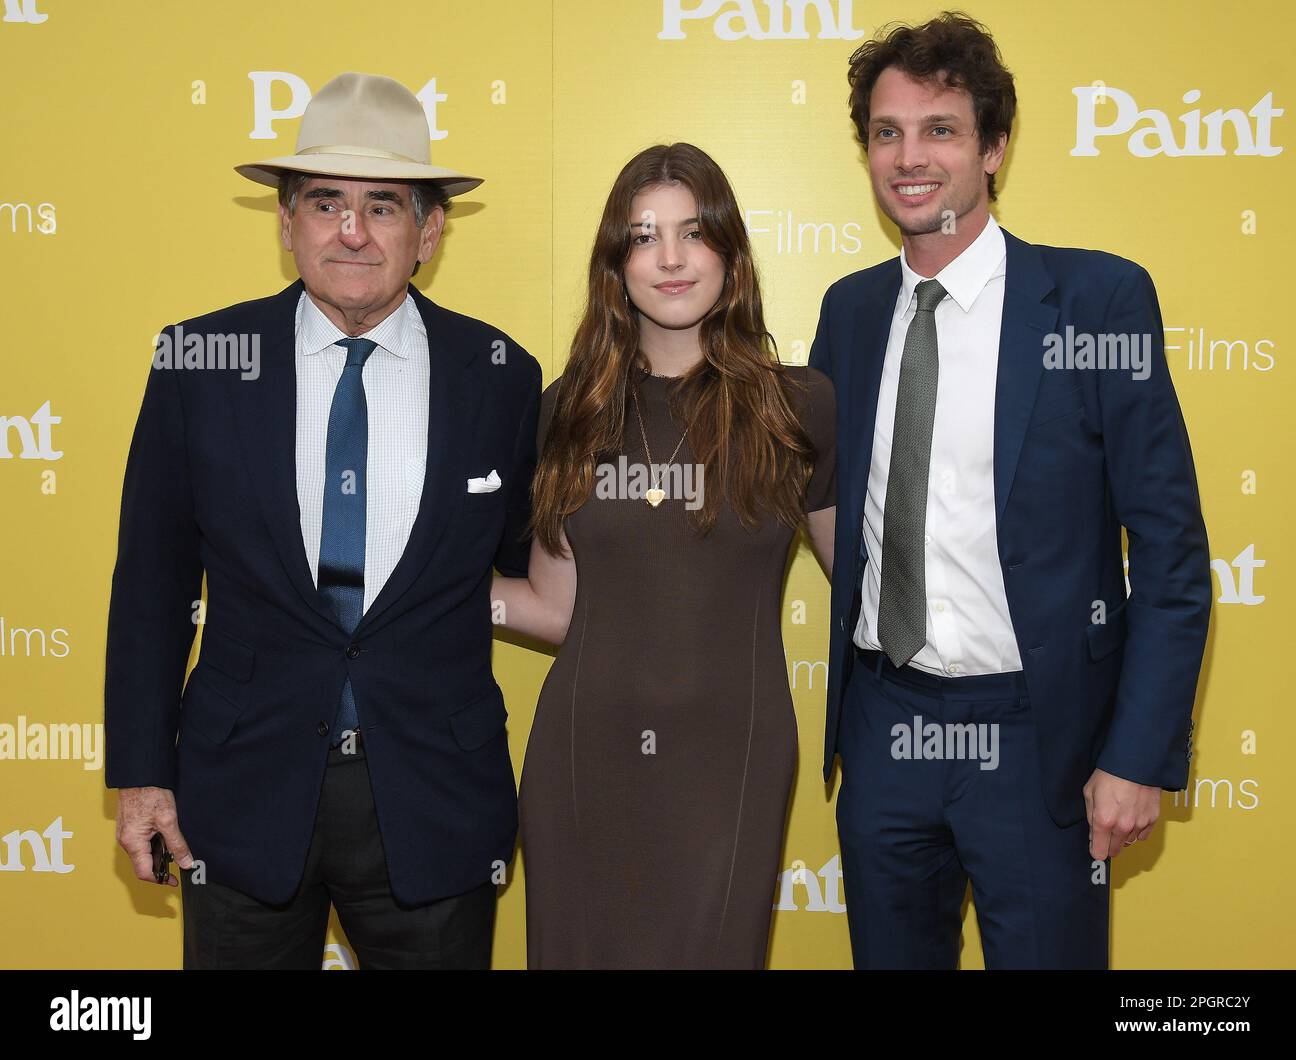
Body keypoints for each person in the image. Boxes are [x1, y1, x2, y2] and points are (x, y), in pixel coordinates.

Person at [103, 72, 541, 969]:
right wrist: (143, 774)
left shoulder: (500, 374)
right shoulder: (199, 360)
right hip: (238, 796)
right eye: (326, 202)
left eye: (384, 206)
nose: (352, 230)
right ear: (286, 221)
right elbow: (151, 583)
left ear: (430, 231)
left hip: (436, 799)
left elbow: (526, 561)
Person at [810, 13, 1211, 969]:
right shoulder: (850, 312)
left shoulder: (1097, 303)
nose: (910, 156)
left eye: (940, 129)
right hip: (885, 727)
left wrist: (1135, 755)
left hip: (1041, 747)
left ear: (993, 149)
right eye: (887, 131)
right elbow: (827, 496)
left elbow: (1169, 547)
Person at [490, 143, 836, 968]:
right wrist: (413, 584)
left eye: (693, 233)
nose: (672, 259)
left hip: (732, 756)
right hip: (584, 753)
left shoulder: (800, 408)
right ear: (617, 262)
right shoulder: (566, 410)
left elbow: (862, 581)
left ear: (730, 252)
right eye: (645, 237)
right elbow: (554, 605)